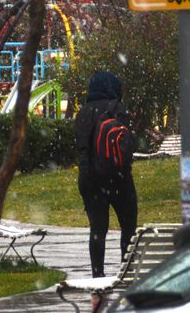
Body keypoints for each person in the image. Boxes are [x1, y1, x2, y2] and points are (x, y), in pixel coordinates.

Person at [75, 71, 138, 278]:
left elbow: (81, 148)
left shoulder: (84, 112)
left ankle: (97, 275)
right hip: (120, 177)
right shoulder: (118, 108)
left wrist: (86, 178)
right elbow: (128, 144)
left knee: (98, 230)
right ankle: (125, 271)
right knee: (128, 226)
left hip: (92, 179)